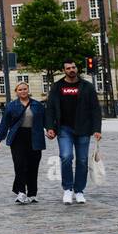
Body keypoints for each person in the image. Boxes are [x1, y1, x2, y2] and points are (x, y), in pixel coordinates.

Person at [45, 60, 103, 205]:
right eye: (68, 68)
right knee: (66, 156)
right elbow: (50, 108)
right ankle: (67, 189)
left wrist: (97, 129)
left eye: (73, 67)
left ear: (77, 69)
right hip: (64, 128)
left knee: (82, 160)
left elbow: (95, 109)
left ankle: (79, 190)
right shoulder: (57, 87)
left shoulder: (87, 87)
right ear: (64, 70)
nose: (71, 70)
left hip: (83, 127)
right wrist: (50, 127)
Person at [0, 81, 46, 203]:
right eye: (20, 90)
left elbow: (45, 120)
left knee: (33, 166)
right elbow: (4, 124)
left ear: (28, 90)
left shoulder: (37, 105)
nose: (23, 91)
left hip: (34, 137)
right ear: (16, 92)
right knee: (20, 165)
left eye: (25, 89)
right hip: (18, 137)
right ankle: (21, 192)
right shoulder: (12, 106)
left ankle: (32, 193)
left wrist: (51, 130)